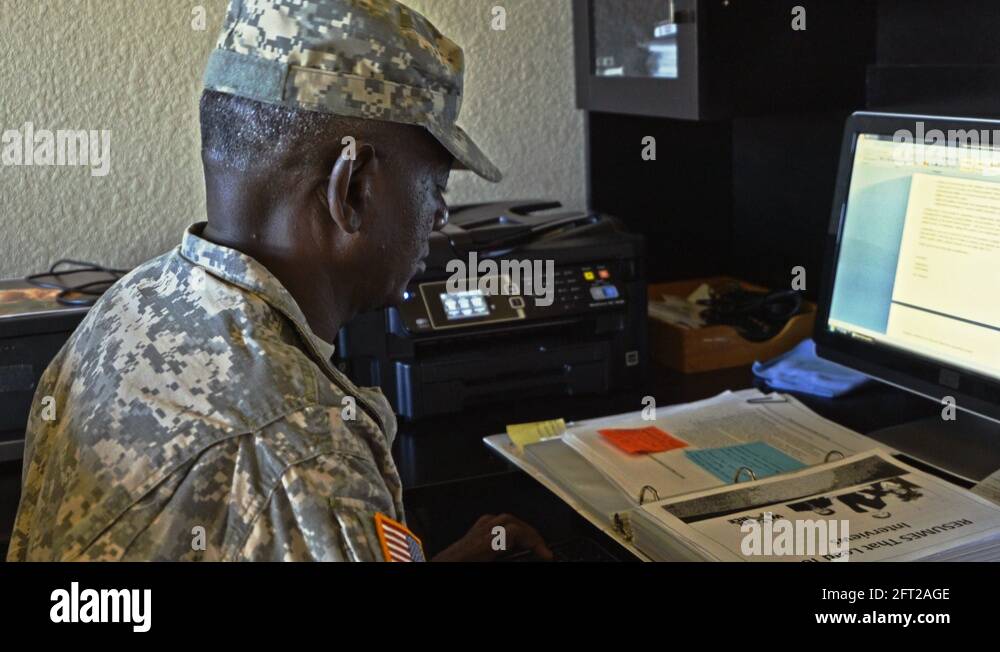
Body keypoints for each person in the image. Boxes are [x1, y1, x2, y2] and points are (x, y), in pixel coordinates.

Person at [7, 0, 551, 562]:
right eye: (436, 185)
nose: (440, 215)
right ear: (353, 188)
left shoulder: (130, 304)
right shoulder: (306, 456)